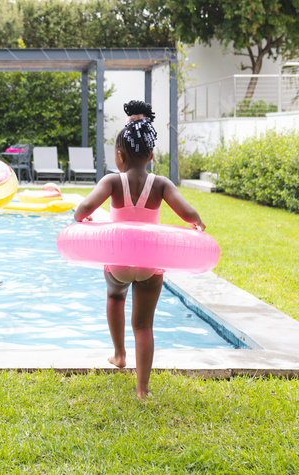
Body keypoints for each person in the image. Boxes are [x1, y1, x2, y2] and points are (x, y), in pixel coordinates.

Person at [73, 100, 205, 399]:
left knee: (114, 296)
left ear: (119, 156)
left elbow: (81, 210)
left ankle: (119, 355)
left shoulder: (112, 181)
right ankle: (142, 390)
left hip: (118, 262)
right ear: (152, 155)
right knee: (143, 325)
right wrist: (197, 225)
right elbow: (189, 214)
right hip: (149, 264)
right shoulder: (161, 184)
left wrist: (85, 219)